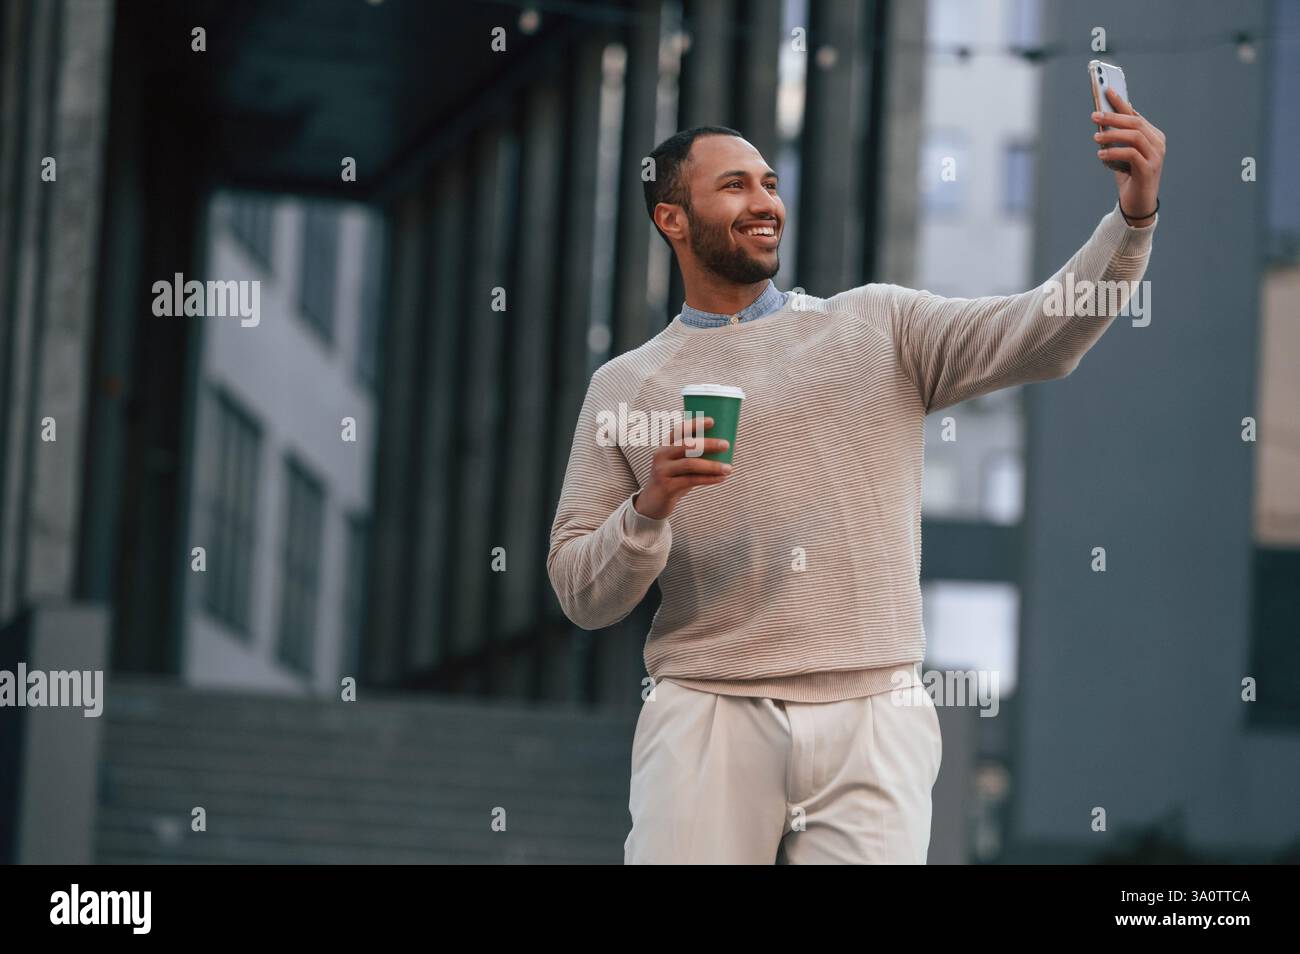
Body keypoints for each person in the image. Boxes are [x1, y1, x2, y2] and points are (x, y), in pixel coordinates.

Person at [547, 87, 1164, 864]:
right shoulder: (628, 386)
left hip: (876, 710)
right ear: (671, 217)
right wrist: (649, 509)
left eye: (770, 182)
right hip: (706, 710)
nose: (765, 200)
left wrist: (1132, 219)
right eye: (734, 185)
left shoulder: (879, 325)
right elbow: (579, 591)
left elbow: (1045, 330)